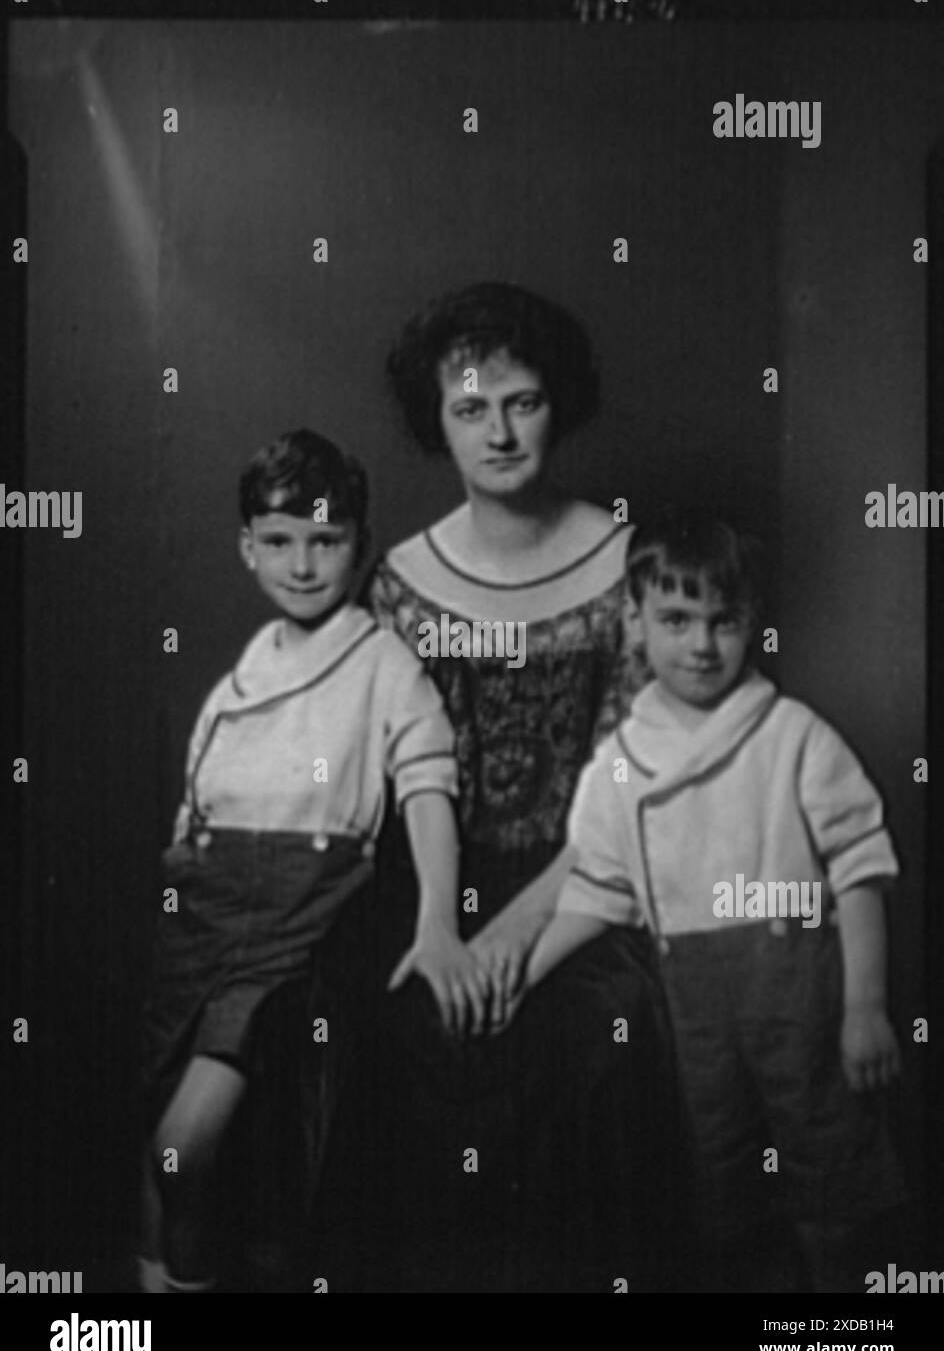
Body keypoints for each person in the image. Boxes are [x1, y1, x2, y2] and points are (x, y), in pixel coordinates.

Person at [326, 281, 688, 1292]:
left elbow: (629, 786)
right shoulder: (396, 580)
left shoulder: (630, 562)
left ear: (557, 404)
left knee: (600, 1044)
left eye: (520, 402)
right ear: (435, 422)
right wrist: (444, 930)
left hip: (589, 881)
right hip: (432, 874)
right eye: (469, 407)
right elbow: (402, 773)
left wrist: (508, 943)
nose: (497, 431)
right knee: (397, 1028)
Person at [528, 508, 908, 1292]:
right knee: (727, 1190)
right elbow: (598, 890)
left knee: (828, 1180)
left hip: (800, 996)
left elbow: (860, 867)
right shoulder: (620, 764)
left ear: (751, 624)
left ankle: (839, 1335)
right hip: (696, 1011)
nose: (701, 646)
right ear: (634, 622)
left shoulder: (792, 734)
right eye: (675, 619)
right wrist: (522, 972)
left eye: (723, 621)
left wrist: (865, 1006)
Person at [138, 429, 478, 1293]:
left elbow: (428, 786)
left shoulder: (382, 663)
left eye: (324, 541)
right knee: (158, 1141)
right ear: (248, 546)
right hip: (201, 914)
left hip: (292, 927)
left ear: (358, 547)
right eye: (280, 541)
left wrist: (439, 920)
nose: (301, 565)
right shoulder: (241, 675)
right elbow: (198, 806)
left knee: (187, 1150)